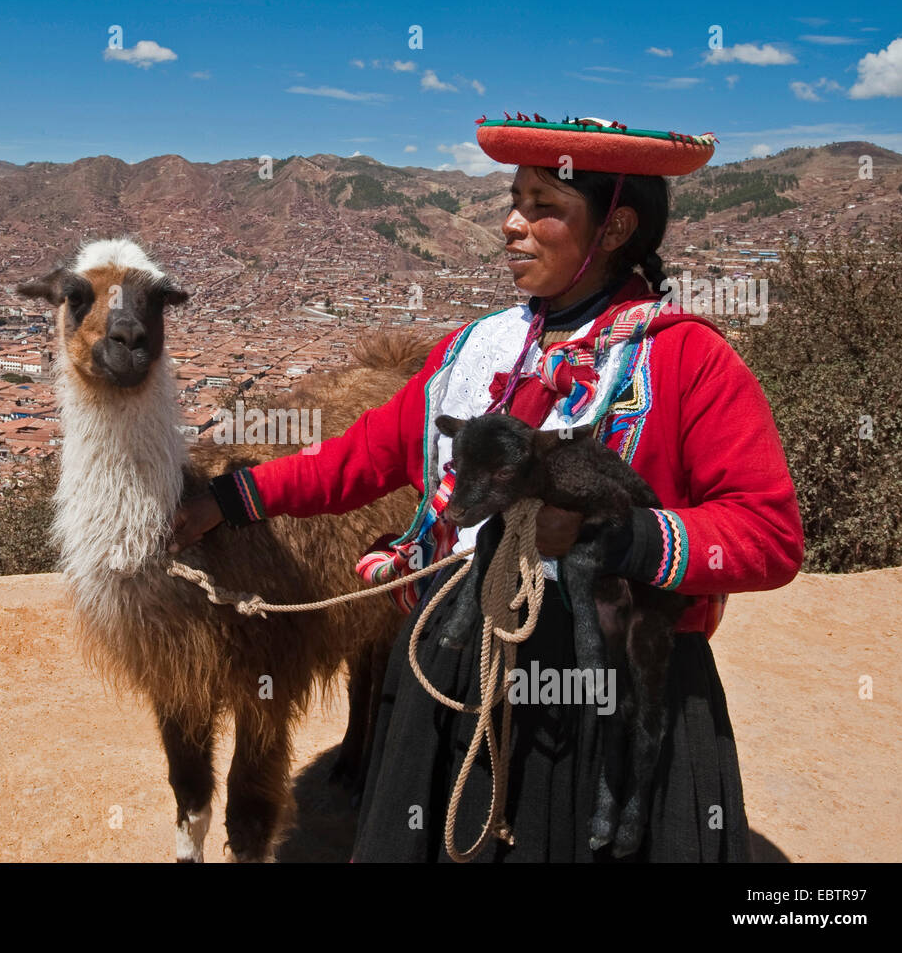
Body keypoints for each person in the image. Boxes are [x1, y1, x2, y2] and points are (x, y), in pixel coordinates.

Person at [168, 115, 804, 862]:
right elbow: (356, 459)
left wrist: (615, 536)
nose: (511, 224)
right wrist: (231, 501)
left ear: (614, 226)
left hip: (619, 688)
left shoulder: (687, 361)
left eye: (543, 206)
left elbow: (768, 535)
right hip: (462, 663)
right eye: (512, 200)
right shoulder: (475, 354)